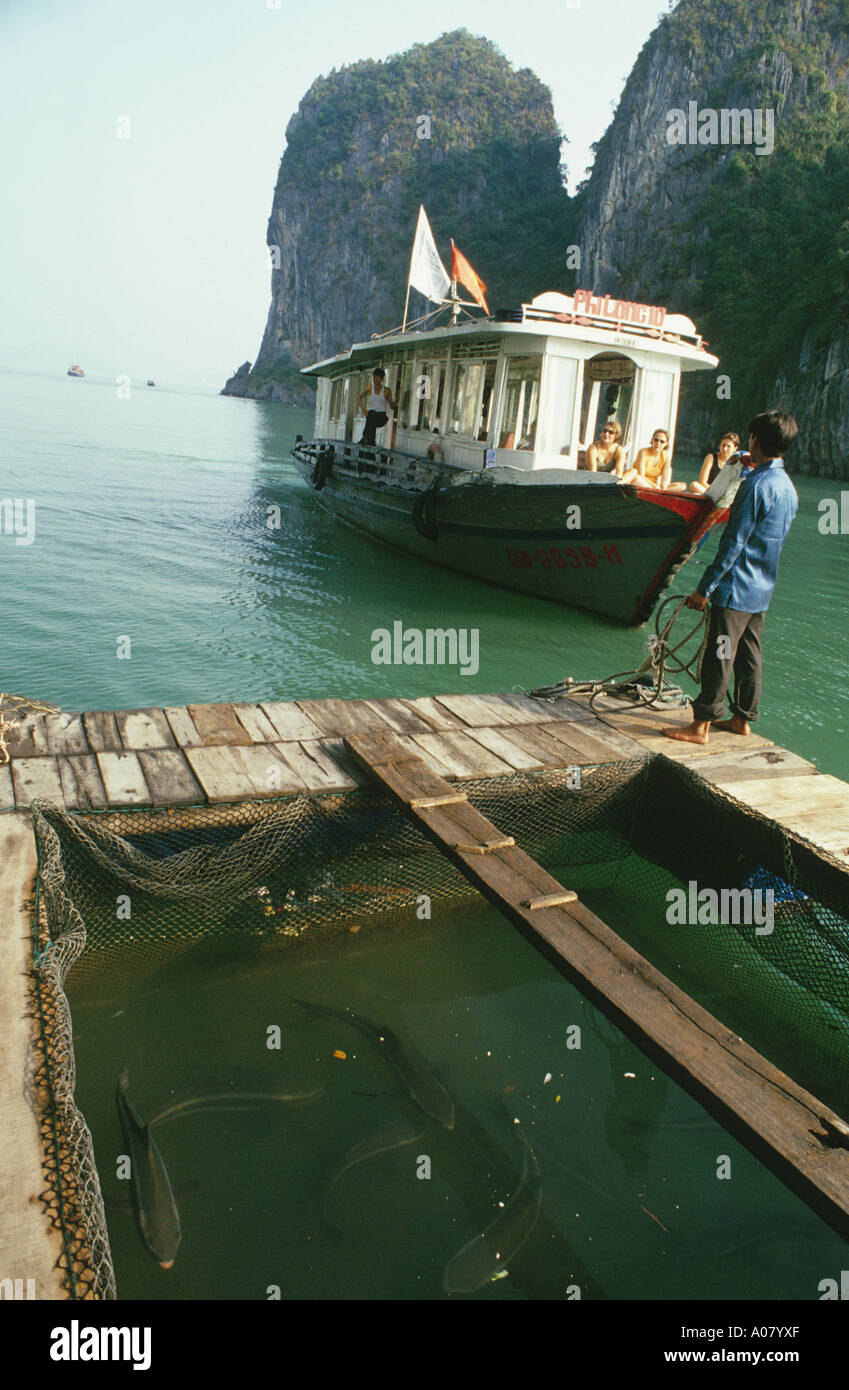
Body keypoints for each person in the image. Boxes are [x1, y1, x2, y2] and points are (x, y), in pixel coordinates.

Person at [663, 410, 799, 746]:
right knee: (749, 654)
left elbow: (733, 544)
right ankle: (742, 718)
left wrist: (703, 589)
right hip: (762, 589)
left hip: (736, 588)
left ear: (756, 440)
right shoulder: (788, 488)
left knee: (720, 651)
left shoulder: (754, 486)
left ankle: (701, 725)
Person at [621, 429, 686, 491]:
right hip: (639, 481)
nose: (658, 443)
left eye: (662, 441)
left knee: (682, 486)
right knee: (637, 478)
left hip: (653, 486)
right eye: (656, 440)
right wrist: (655, 487)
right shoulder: (643, 452)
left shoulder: (666, 457)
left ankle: (659, 491)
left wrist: (662, 488)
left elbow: (664, 483)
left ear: (666, 443)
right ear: (652, 440)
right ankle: (658, 491)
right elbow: (641, 475)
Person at [357, 368, 395, 447]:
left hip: (382, 417)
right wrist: (364, 410)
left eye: (377, 377)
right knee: (371, 416)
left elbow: (391, 406)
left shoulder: (387, 391)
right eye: (374, 377)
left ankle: (365, 437)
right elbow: (359, 397)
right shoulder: (370, 388)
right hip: (372, 416)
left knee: (371, 415)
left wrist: (397, 399)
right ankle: (370, 444)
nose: (375, 380)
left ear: (381, 379)